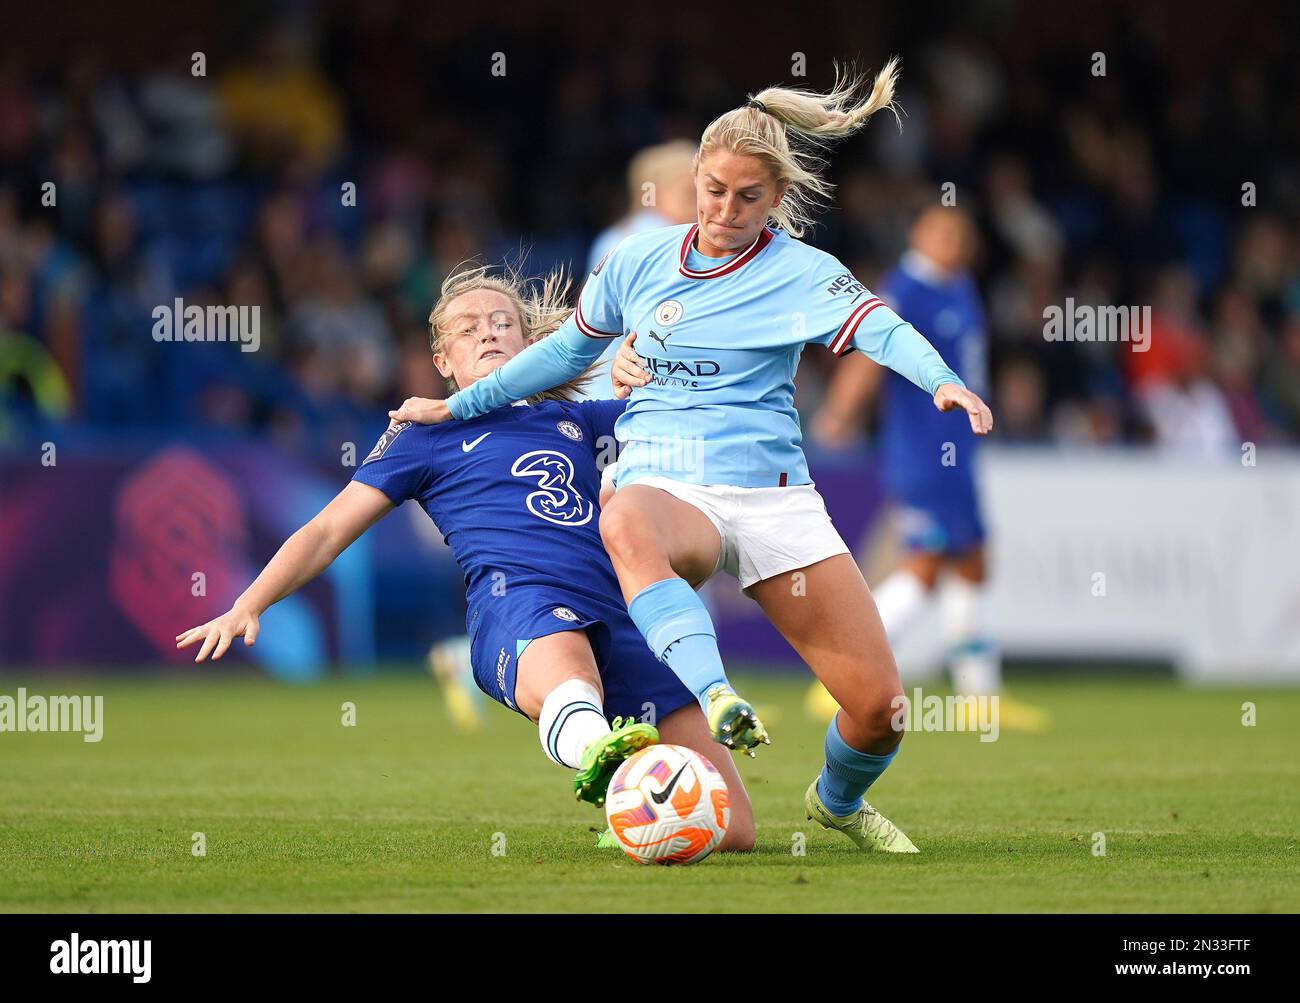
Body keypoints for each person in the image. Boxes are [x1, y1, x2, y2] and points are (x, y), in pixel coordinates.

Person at [388, 62, 993, 853]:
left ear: (775, 199)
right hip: (668, 477)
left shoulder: (802, 274)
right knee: (629, 521)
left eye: (747, 196)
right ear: (694, 180)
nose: (724, 209)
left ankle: (837, 801)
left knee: (880, 708)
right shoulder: (639, 262)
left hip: (774, 497)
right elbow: (566, 350)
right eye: (712, 189)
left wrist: (943, 381)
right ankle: (716, 695)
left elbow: (881, 327)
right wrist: (460, 403)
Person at [177, 263, 755, 852]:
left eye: (505, 323)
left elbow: (692, 420)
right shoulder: (421, 435)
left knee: (732, 831)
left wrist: (651, 356)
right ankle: (599, 755)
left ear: (532, 347)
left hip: (626, 611)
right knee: (571, 672)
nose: (489, 333)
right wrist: (248, 604)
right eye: (468, 328)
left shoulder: (582, 420)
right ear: (442, 363)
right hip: (520, 606)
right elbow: (326, 531)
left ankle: (628, 809)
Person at [809, 205, 1049, 731]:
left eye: (961, 233)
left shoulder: (960, 286)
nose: (953, 240)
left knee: (974, 561)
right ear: (917, 234)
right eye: (941, 231)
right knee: (924, 566)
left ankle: (978, 697)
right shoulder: (904, 289)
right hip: (920, 451)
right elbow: (871, 354)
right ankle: (841, 679)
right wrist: (840, 413)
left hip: (960, 452)